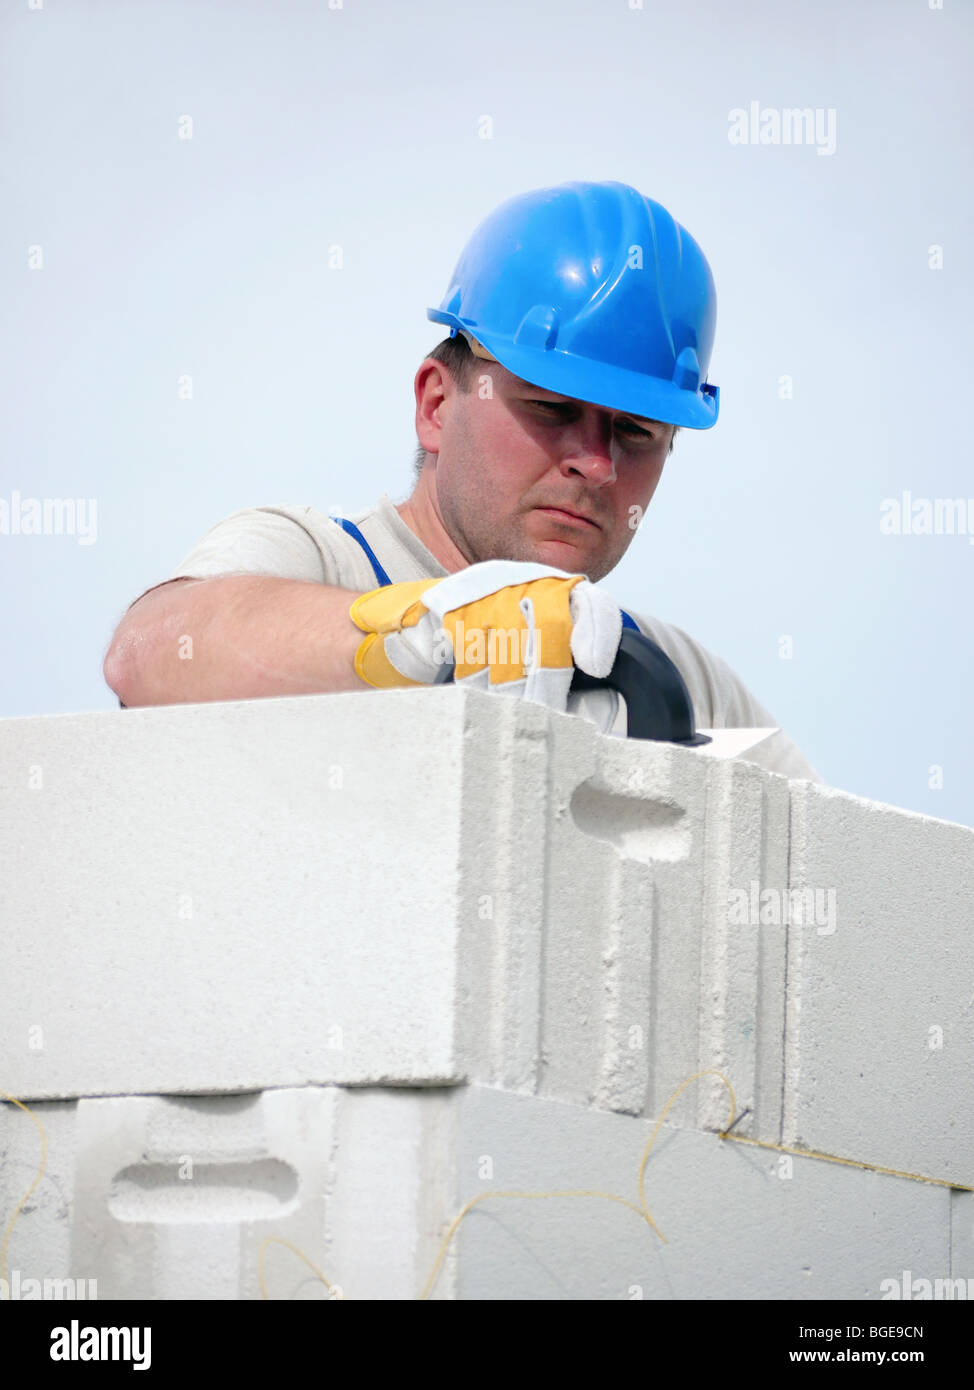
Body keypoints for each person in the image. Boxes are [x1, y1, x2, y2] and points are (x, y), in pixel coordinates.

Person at [103, 180, 821, 782]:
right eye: (551, 408)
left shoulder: (672, 676)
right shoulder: (319, 561)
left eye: (635, 432)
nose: (596, 463)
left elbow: (840, 866)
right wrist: (438, 634)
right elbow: (150, 653)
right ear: (437, 405)